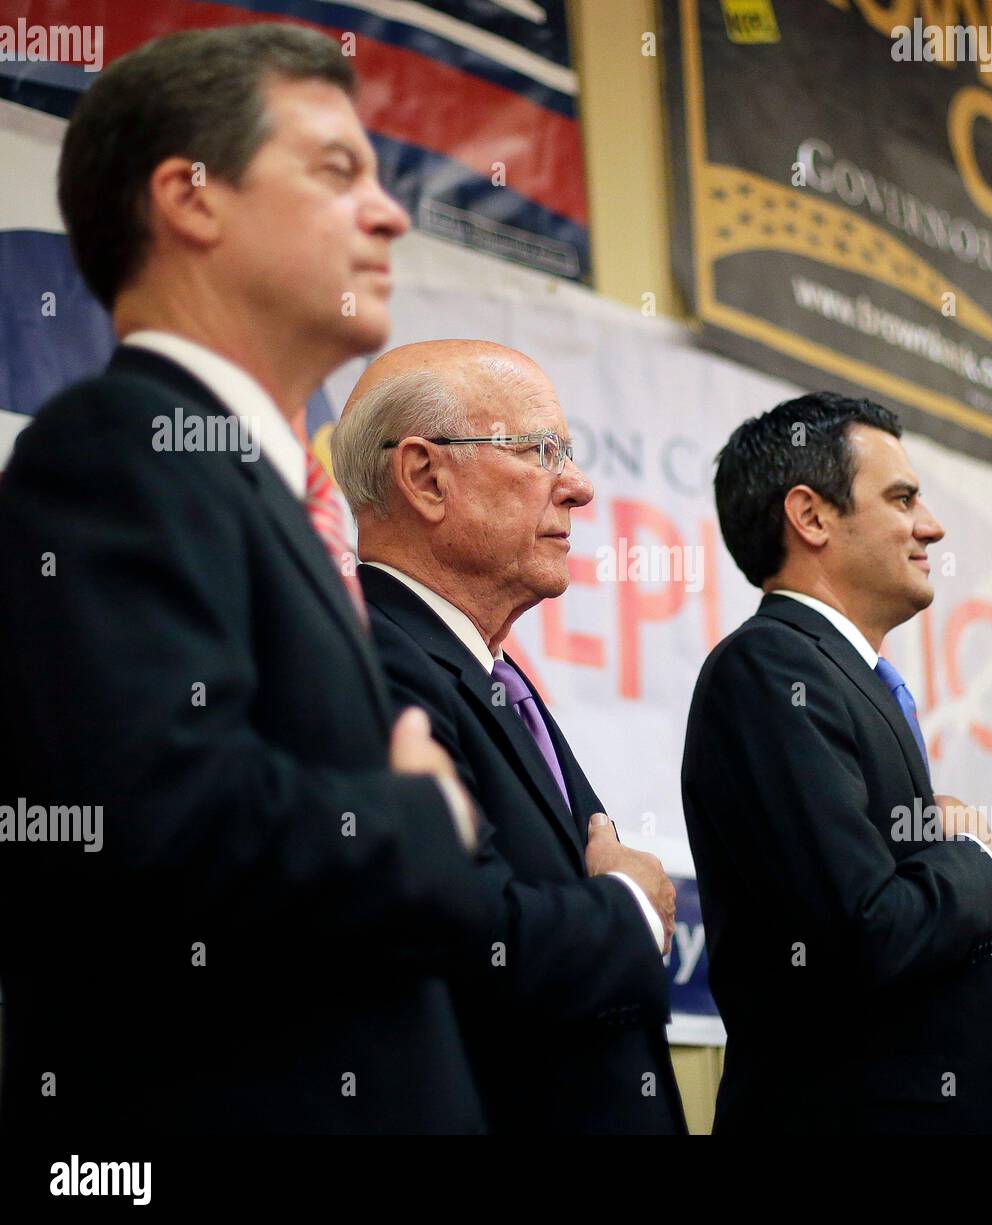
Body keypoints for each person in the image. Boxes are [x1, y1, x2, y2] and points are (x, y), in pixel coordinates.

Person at [0, 24, 654, 1136]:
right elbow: (137, 833)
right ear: (191, 199)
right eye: (338, 171)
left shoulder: (264, 499)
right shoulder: (117, 449)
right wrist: (413, 821)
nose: (392, 212)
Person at [331, 340, 687, 1134]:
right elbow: (465, 943)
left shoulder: (489, 674)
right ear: (426, 478)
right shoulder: (370, 660)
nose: (580, 486)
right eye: (539, 450)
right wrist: (629, 906)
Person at [680, 392, 992, 1134]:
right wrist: (974, 858)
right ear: (811, 516)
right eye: (903, 497)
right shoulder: (770, 668)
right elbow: (861, 932)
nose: (931, 525)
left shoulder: (844, 675)